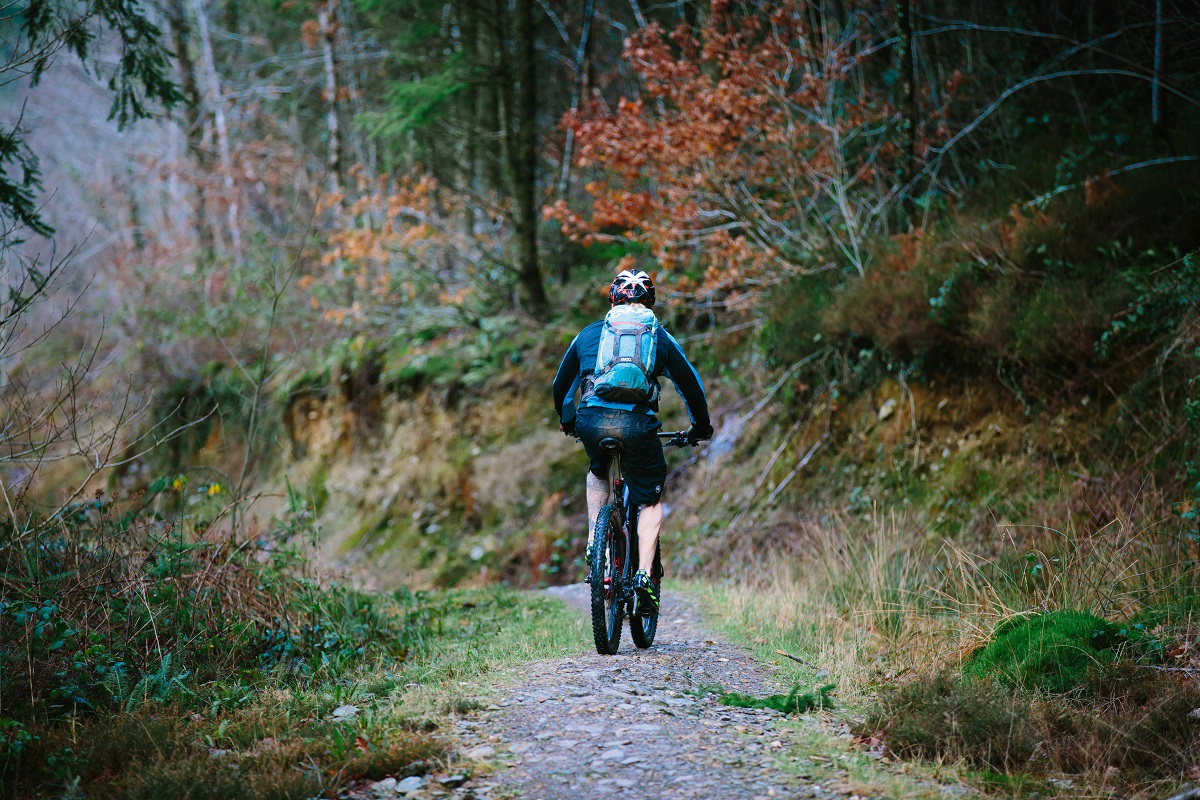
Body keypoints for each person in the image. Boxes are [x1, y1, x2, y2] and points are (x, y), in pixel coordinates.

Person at [552, 269, 714, 613]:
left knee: (598, 471)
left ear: (613, 300)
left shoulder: (589, 335)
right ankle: (642, 574)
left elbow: (560, 386)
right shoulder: (657, 336)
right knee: (650, 499)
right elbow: (691, 386)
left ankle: (596, 542)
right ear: (649, 302)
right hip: (638, 426)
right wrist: (699, 427)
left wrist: (569, 422)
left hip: (592, 420)